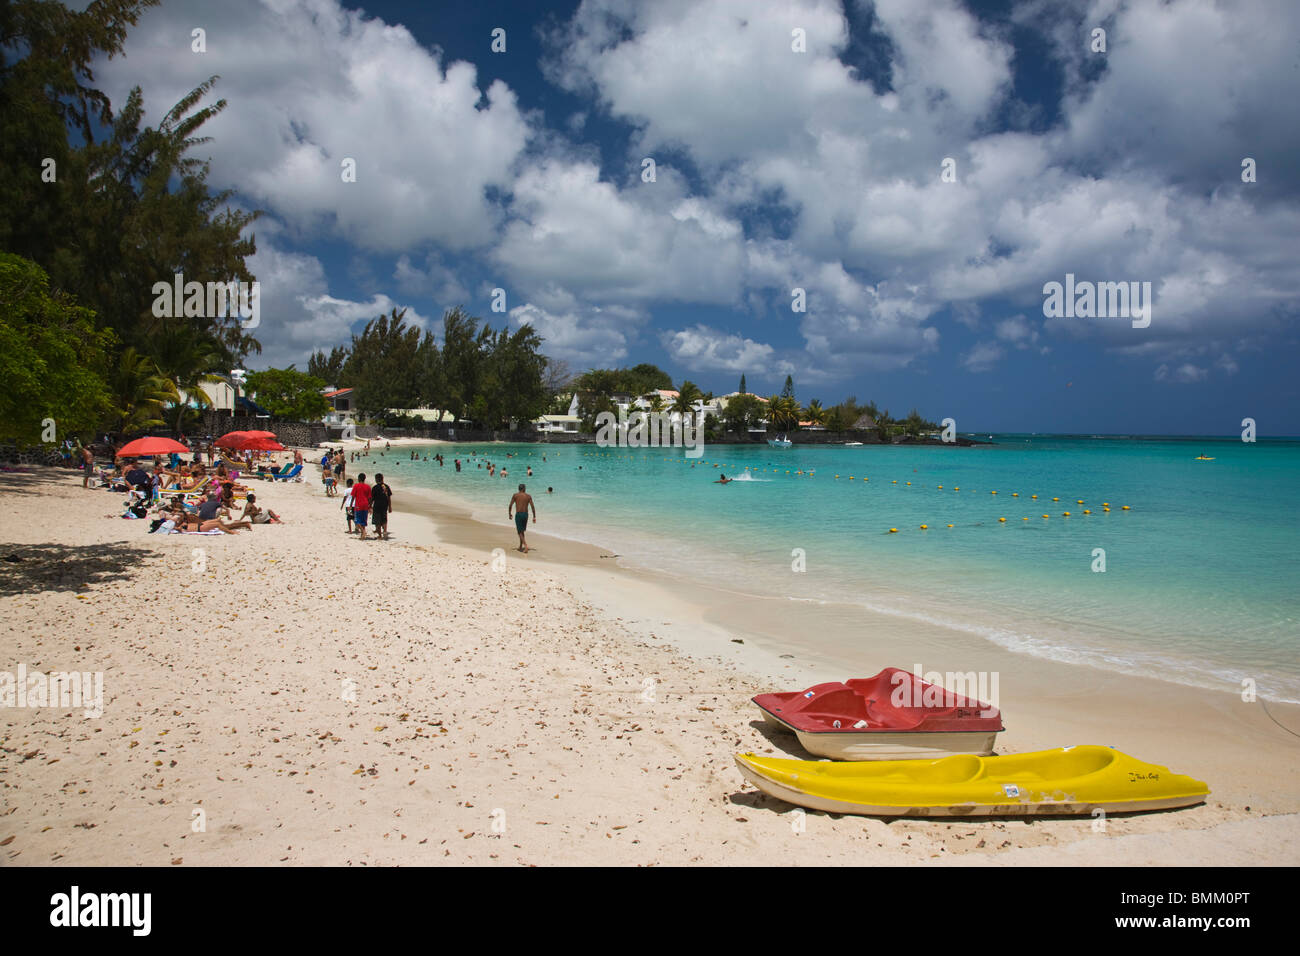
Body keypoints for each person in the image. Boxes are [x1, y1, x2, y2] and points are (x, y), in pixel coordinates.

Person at [509, 483, 536, 553]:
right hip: (525, 515)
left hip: (519, 514)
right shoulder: (528, 496)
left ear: (519, 489)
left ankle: (525, 546)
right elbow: (532, 506)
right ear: (524, 489)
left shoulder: (515, 495)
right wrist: (534, 516)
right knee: (522, 531)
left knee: (519, 532)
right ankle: (521, 546)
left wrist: (509, 514)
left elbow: (510, 505)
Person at [371, 473, 392, 541]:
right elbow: (389, 497)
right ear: (382, 478)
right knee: (384, 519)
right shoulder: (386, 487)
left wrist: (370, 506)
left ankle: (380, 535)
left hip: (377, 506)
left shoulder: (375, 488)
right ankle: (385, 531)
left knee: (378, 521)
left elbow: (372, 498)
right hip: (384, 506)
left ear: (376, 479)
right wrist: (390, 506)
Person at [351, 472, 372, 540]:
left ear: (358, 478)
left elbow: (353, 496)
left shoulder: (356, 486)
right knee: (363, 521)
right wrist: (370, 506)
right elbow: (369, 498)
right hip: (366, 505)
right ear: (364, 479)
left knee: (357, 521)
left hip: (358, 505)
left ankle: (363, 531)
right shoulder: (368, 487)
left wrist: (351, 505)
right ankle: (362, 535)